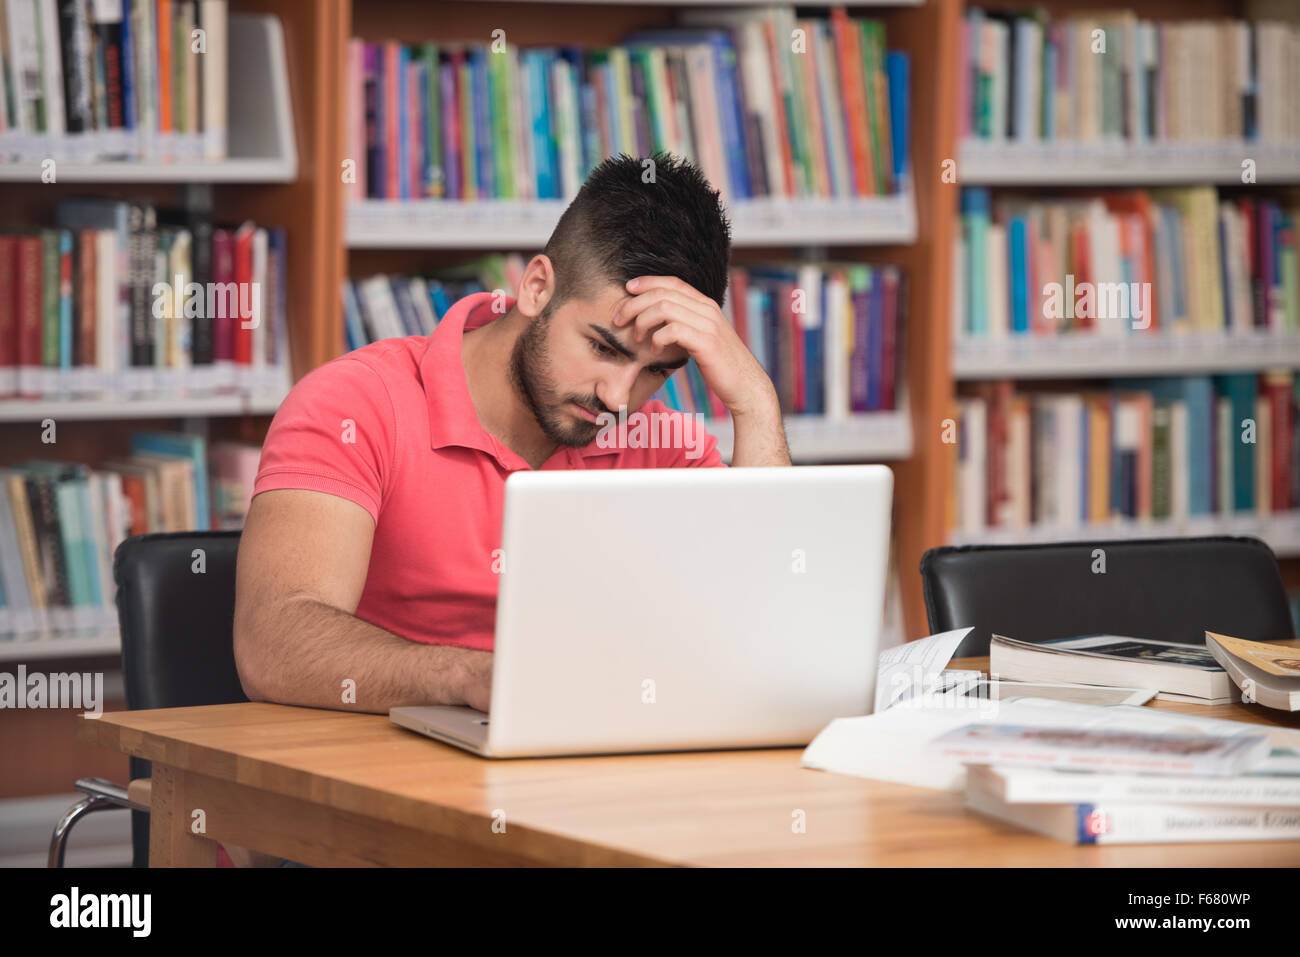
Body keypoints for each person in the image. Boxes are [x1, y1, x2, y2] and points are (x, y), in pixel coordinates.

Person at [233, 152, 790, 716]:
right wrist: (467, 677)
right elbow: (273, 643)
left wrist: (754, 400)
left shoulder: (662, 444)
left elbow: (768, 634)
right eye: (603, 347)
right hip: (374, 770)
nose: (619, 398)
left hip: (586, 771)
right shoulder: (355, 405)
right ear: (537, 287)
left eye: (657, 372)